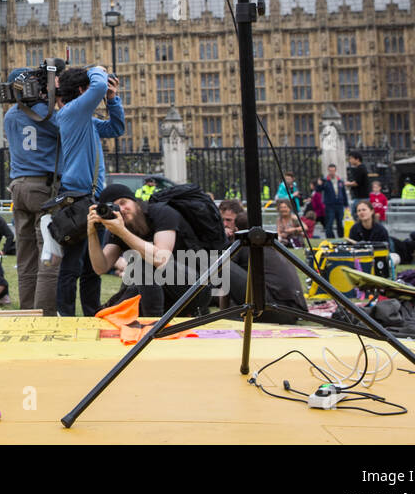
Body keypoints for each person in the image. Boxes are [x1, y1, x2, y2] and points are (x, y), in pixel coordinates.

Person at [53, 65, 121, 317]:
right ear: (82, 90)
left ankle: (92, 312)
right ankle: (65, 314)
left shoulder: (84, 118)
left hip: (90, 196)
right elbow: (99, 85)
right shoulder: (72, 112)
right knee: (72, 264)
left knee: (92, 264)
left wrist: (113, 100)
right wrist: (97, 69)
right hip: (78, 197)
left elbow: (116, 129)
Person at [87, 183, 211, 317]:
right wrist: (91, 233)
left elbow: (161, 259)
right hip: (162, 295)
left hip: (195, 289)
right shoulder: (119, 226)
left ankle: (152, 327)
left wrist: (122, 232)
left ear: (135, 202)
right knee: (132, 279)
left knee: (144, 261)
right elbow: (100, 267)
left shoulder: (162, 213)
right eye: (114, 207)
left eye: (123, 203)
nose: (121, 209)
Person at [2, 67, 62, 315]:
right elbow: (67, 128)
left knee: (25, 255)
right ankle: (44, 312)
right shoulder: (45, 114)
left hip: (18, 186)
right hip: (43, 188)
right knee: (48, 253)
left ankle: (27, 310)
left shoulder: (10, 116)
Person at [217, 200, 308, 323]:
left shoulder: (244, 243)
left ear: (238, 224)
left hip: (279, 308)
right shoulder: (263, 242)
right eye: (222, 220)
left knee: (221, 264)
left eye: (228, 220)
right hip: (291, 308)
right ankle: (229, 316)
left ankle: (227, 318)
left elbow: (223, 275)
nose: (225, 224)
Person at [314, 164, 348, 238]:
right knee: (329, 222)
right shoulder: (325, 181)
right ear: (328, 171)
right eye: (330, 170)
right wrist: (319, 184)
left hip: (339, 204)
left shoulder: (340, 181)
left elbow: (344, 193)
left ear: (335, 170)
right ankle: (330, 237)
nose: (332, 172)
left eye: (333, 170)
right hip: (329, 205)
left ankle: (341, 237)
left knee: (340, 222)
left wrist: (346, 204)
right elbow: (318, 190)